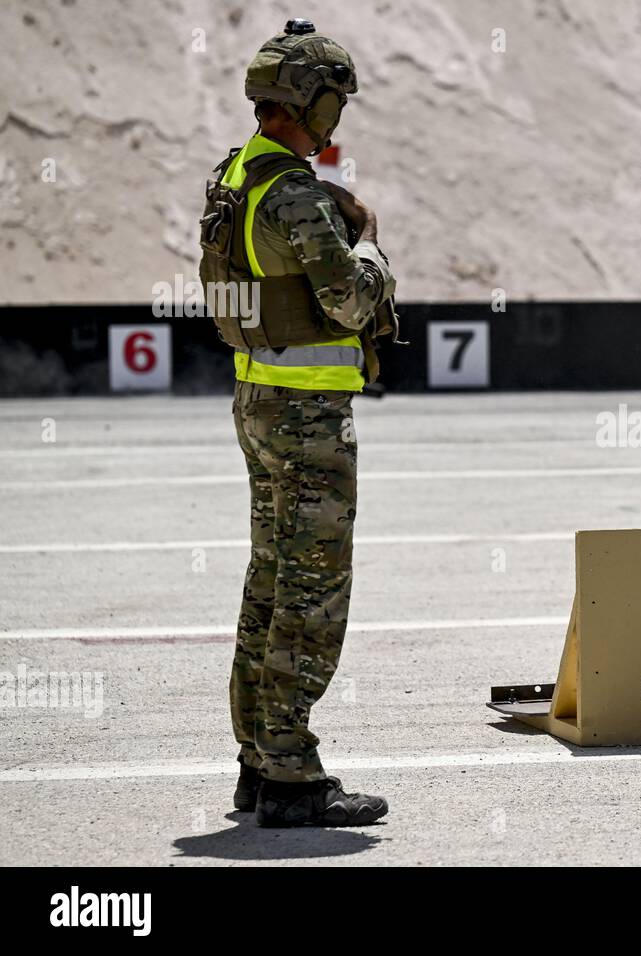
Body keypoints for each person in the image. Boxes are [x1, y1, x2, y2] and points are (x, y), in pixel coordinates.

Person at [199, 18, 397, 826]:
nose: (334, 120)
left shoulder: (236, 175)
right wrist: (372, 243)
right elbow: (348, 300)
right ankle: (290, 776)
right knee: (313, 593)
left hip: (258, 402)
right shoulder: (294, 194)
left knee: (271, 583)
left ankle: (258, 761)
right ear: (308, 102)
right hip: (308, 417)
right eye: (331, 104)